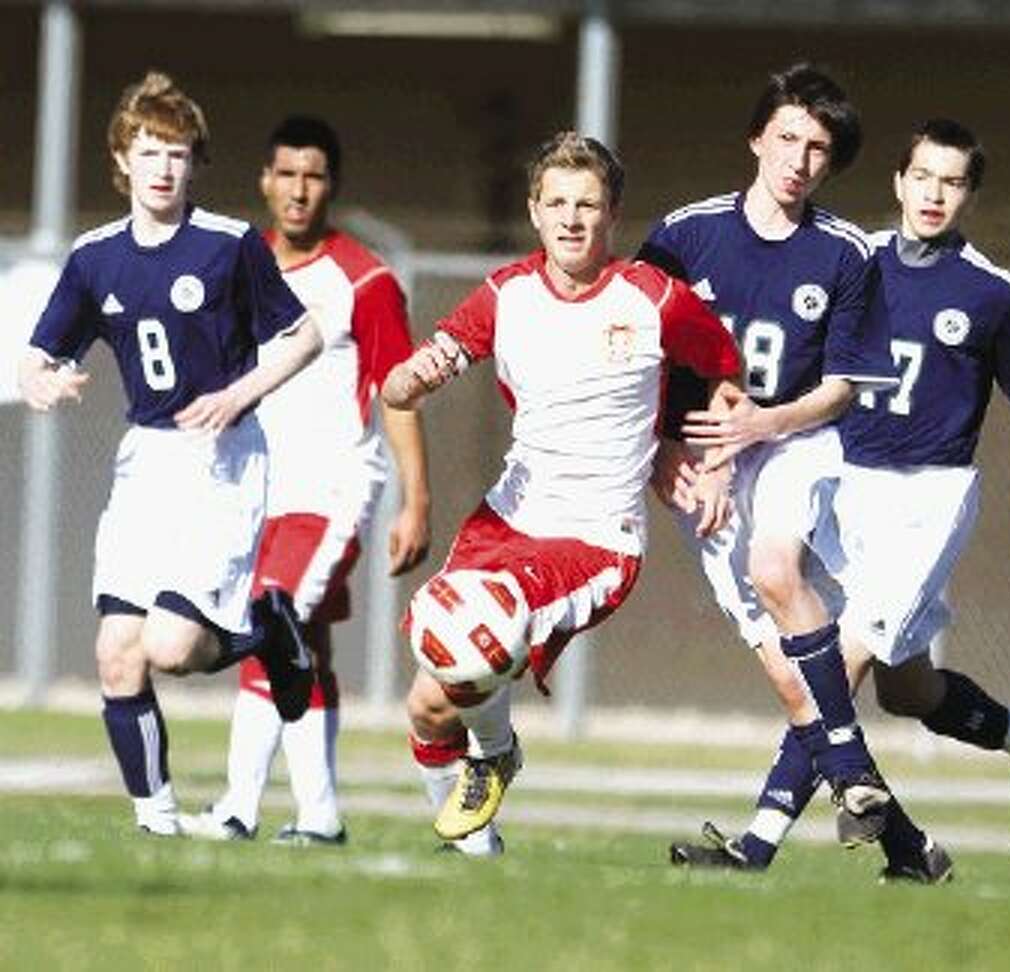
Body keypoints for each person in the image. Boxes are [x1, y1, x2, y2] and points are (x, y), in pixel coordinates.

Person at [671, 118, 1010, 875]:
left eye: (952, 182)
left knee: (837, 665)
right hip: (846, 487)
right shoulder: (856, 259)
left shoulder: (993, 292)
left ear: (970, 195)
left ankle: (756, 845)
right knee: (907, 690)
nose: (934, 194)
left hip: (927, 500)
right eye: (922, 177)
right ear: (898, 181)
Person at [383, 131, 741, 851]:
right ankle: (474, 857)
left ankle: (493, 753)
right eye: (557, 204)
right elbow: (415, 374)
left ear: (612, 215)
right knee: (428, 704)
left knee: (475, 637)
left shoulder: (656, 299)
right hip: (505, 519)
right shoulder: (507, 295)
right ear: (535, 211)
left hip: (596, 539)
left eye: (587, 204)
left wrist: (711, 460)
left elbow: (725, 373)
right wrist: (409, 378)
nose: (571, 219)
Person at [639, 63, 945, 879]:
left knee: (775, 568)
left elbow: (842, 388)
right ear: (755, 139)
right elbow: (639, 355)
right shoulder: (683, 237)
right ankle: (906, 845)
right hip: (705, 458)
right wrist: (666, 451)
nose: (799, 160)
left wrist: (762, 424)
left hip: (795, 442)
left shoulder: (845, 253)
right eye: (787, 139)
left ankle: (804, 815)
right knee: (791, 679)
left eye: (817, 149)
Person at [17, 71, 323, 837]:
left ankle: (267, 630)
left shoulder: (229, 245)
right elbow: (36, 356)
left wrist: (238, 394)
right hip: (145, 463)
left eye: (178, 154)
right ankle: (156, 822)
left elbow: (305, 336)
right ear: (122, 159)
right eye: (150, 152)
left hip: (221, 459)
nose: (163, 168)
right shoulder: (94, 257)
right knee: (117, 652)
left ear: (195, 164)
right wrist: (41, 382)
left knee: (171, 647)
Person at [177, 117, 432, 847]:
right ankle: (320, 816)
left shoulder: (365, 280)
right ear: (264, 180)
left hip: (331, 490)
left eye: (313, 176)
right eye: (285, 174)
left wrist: (416, 499)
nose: (298, 189)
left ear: (332, 185)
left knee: (270, 620)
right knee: (302, 646)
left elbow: (398, 392)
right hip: (256, 492)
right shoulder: (239, 264)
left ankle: (237, 808)